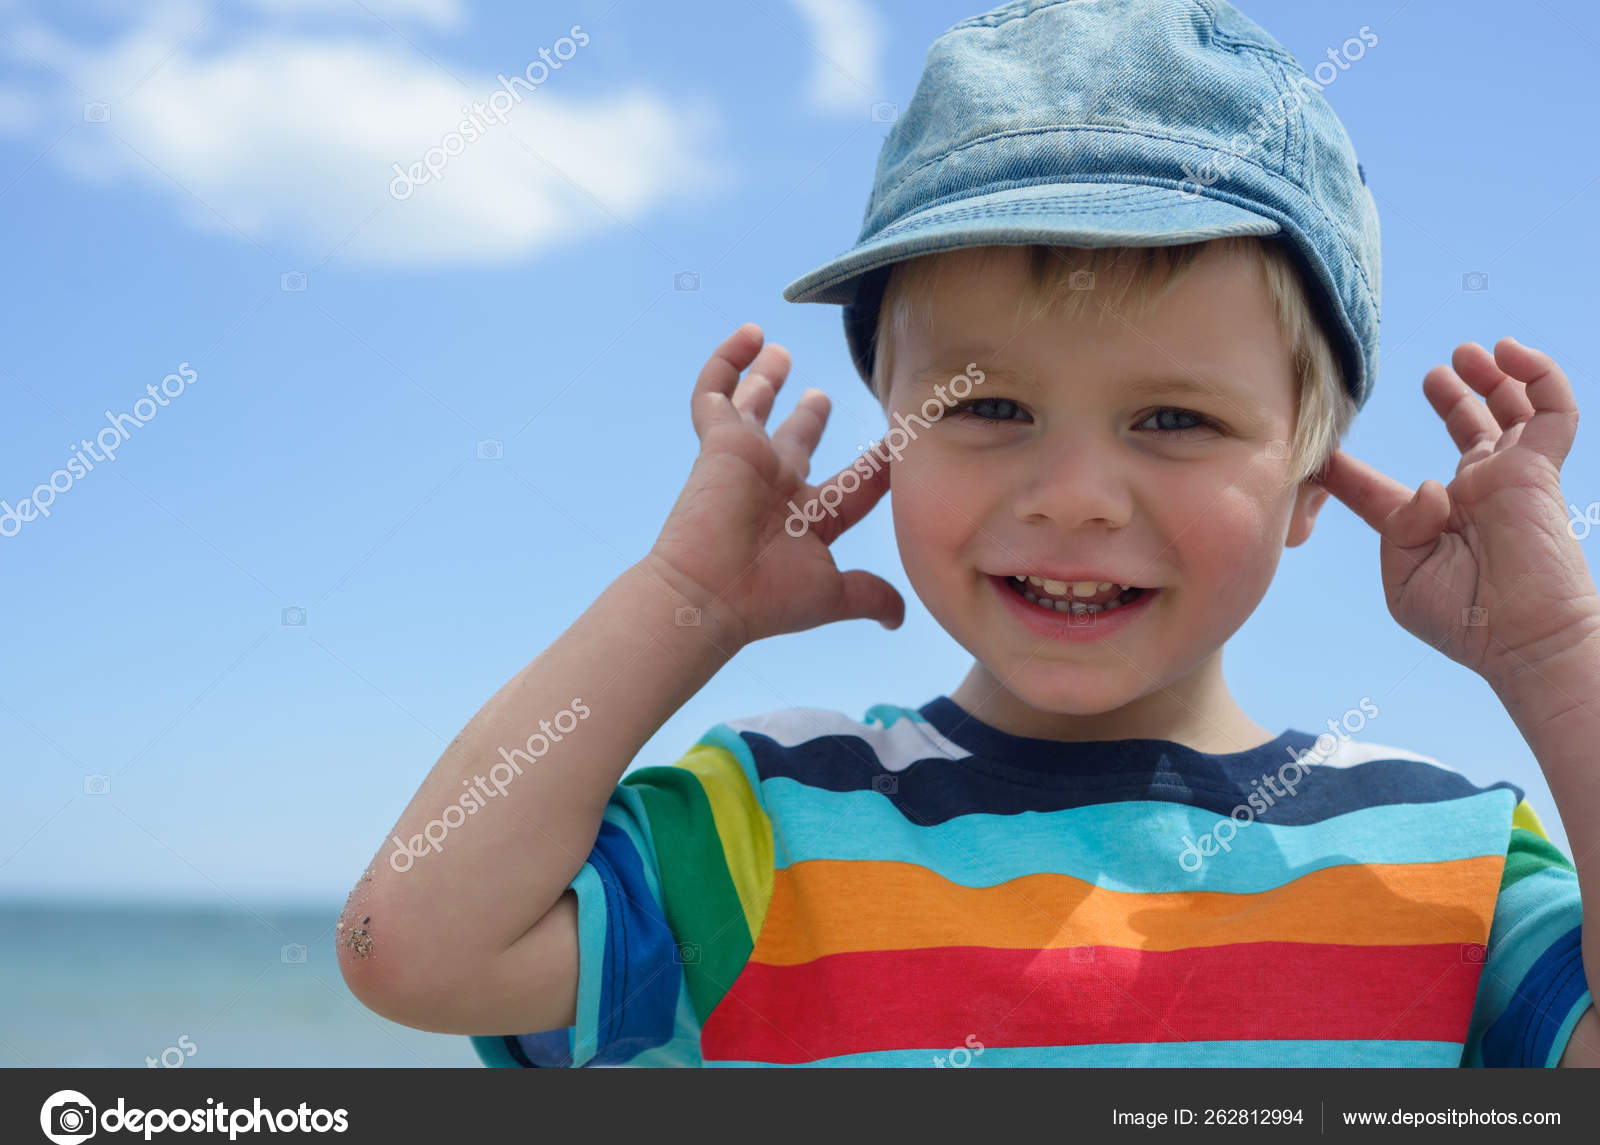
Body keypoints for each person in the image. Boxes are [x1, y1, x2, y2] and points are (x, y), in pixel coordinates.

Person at [338, 0, 1599, 1067]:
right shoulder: (768, 828)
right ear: (891, 434)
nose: (1072, 495)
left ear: (1311, 481)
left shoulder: (1450, 867)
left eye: (1173, 417)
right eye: (988, 405)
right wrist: (683, 606)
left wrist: (1557, 657)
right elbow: (409, 950)